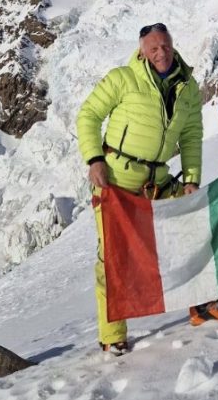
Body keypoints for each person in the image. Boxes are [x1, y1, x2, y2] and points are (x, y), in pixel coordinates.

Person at [77, 23, 203, 354]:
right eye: (154, 48)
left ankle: (203, 305)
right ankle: (112, 335)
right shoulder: (123, 78)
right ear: (142, 51)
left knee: (197, 227)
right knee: (113, 257)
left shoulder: (187, 87)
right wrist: (94, 159)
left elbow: (191, 136)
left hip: (157, 181)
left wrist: (191, 179)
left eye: (165, 45)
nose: (161, 53)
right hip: (116, 180)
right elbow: (88, 115)